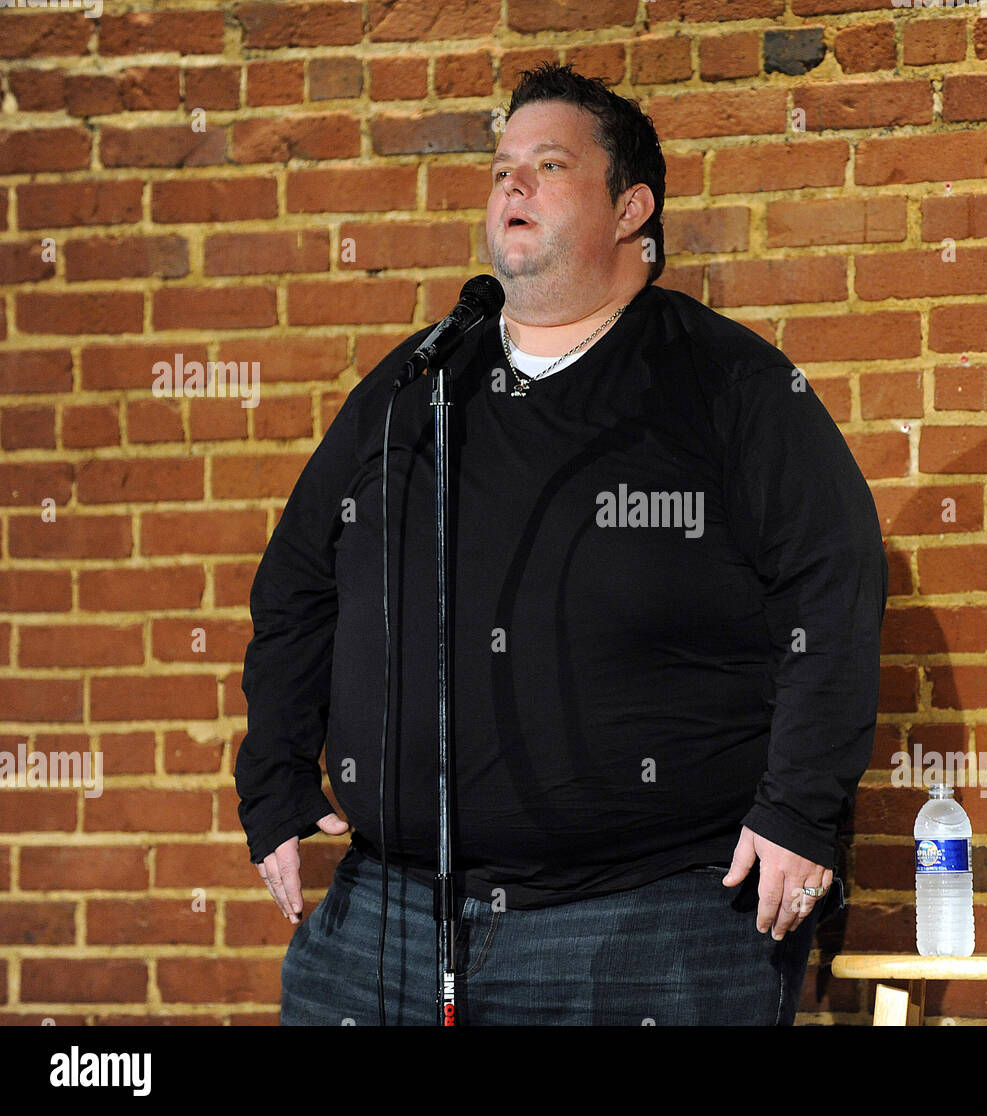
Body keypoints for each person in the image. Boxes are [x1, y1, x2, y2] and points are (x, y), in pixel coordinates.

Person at [234, 62, 888, 1026]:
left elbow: (832, 591)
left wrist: (798, 813)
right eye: (502, 168)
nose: (513, 186)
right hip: (392, 918)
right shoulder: (416, 385)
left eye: (548, 164)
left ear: (632, 209)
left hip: (652, 923)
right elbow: (297, 584)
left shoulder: (728, 384)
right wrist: (276, 778)